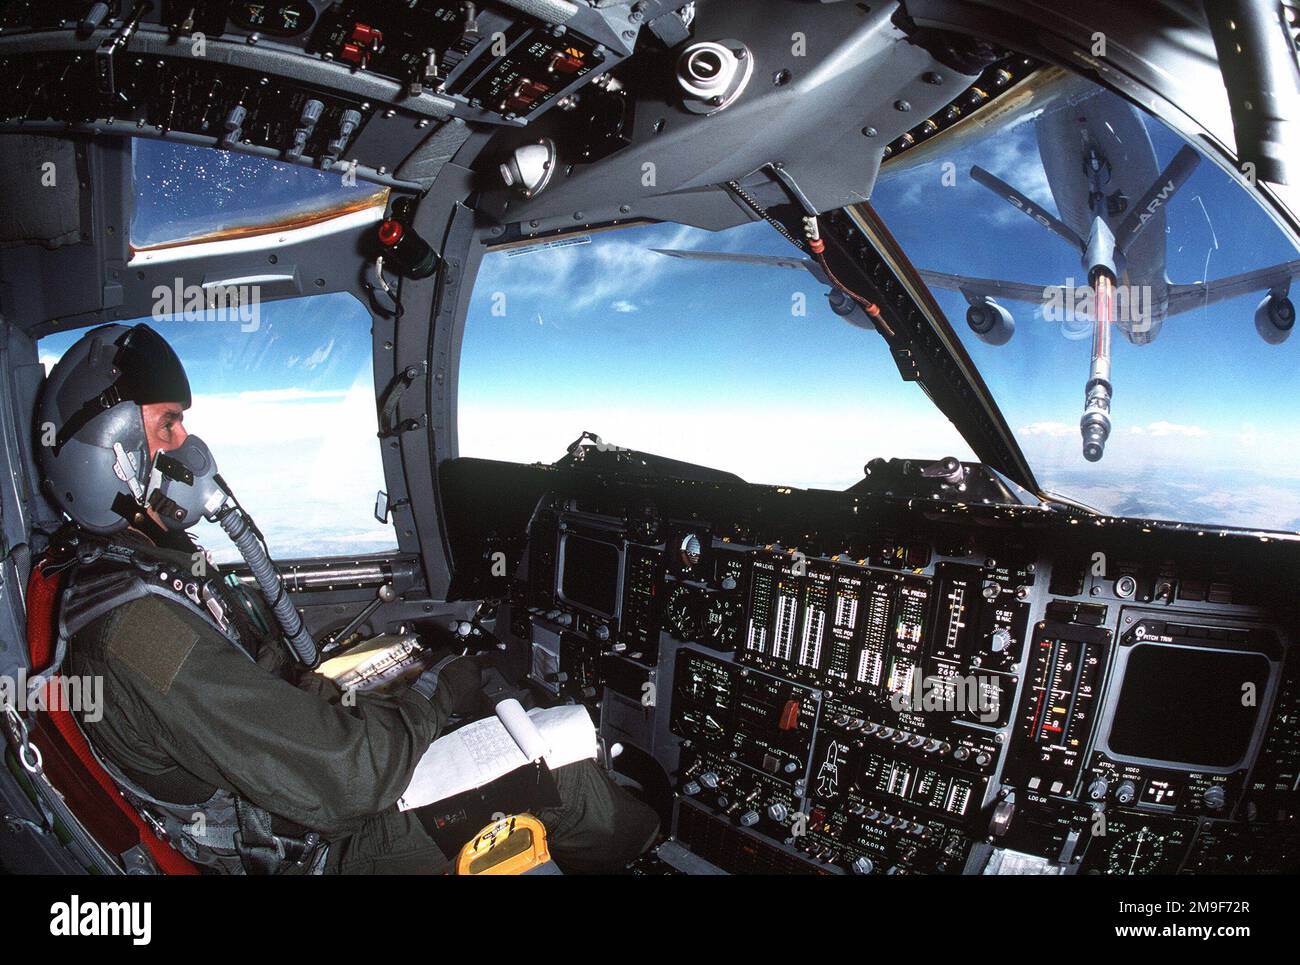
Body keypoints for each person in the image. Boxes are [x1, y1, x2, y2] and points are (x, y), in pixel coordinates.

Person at [35, 322, 659, 874]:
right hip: (311, 845)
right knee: (560, 779)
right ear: (113, 455)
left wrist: (359, 688)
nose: (188, 445)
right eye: (168, 424)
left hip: (299, 793)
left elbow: (255, 682)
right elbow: (349, 779)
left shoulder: (136, 572)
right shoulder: (140, 631)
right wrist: (436, 689)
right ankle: (651, 843)